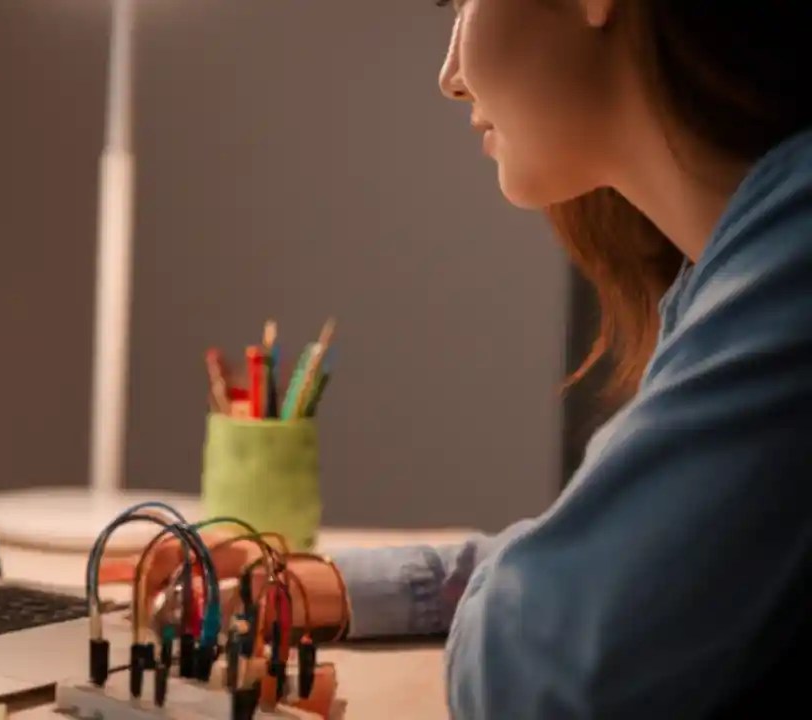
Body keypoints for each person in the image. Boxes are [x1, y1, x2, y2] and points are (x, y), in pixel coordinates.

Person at [114, 1, 811, 716]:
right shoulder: (735, 272)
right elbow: (618, 570)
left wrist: (526, 594)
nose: (450, 76)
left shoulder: (797, 261)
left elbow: (537, 671)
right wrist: (338, 586)